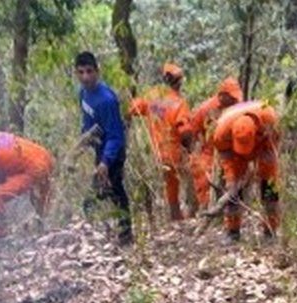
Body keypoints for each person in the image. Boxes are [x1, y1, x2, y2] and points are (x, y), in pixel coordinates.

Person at [74, 51, 133, 246]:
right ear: (76, 73)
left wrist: (105, 162)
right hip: (100, 149)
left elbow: (116, 135)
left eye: (89, 71)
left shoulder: (107, 99)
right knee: (106, 192)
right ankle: (110, 233)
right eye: (81, 72)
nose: (85, 77)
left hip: (114, 152)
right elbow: (89, 122)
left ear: (97, 72)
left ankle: (125, 236)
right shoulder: (83, 93)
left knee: (103, 194)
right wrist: (84, 140)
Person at [129, 63, 194, 221]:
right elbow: (184, 131)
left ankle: (175, 217)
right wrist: (191, 148)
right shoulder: (179, 103)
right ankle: (193, 214)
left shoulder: (152, 96)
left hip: (158, 153)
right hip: (176, 151)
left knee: (170, 185)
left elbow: (132, 108)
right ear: (178, 81)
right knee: (193, 179)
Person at [210, 101, 281, 243]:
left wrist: (263, 169)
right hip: (234, 156)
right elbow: (226, 158)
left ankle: (270, 231)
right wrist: (234, 181)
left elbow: (274, 146)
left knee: (270, 186)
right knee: (233, 189)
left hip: (263, 146)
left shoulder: (269, 118)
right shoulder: (221, 133)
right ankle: (232, 232)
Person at [189, 77, 244, 209]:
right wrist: (194, 156)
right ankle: (205, 215)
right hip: (208, 154)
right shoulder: (205, 109)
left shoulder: (237, 107)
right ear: (222, 95)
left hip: (230, 153)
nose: (234, 100)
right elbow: (192, 132)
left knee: (232, 188)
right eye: (231, 97)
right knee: (205, 186)